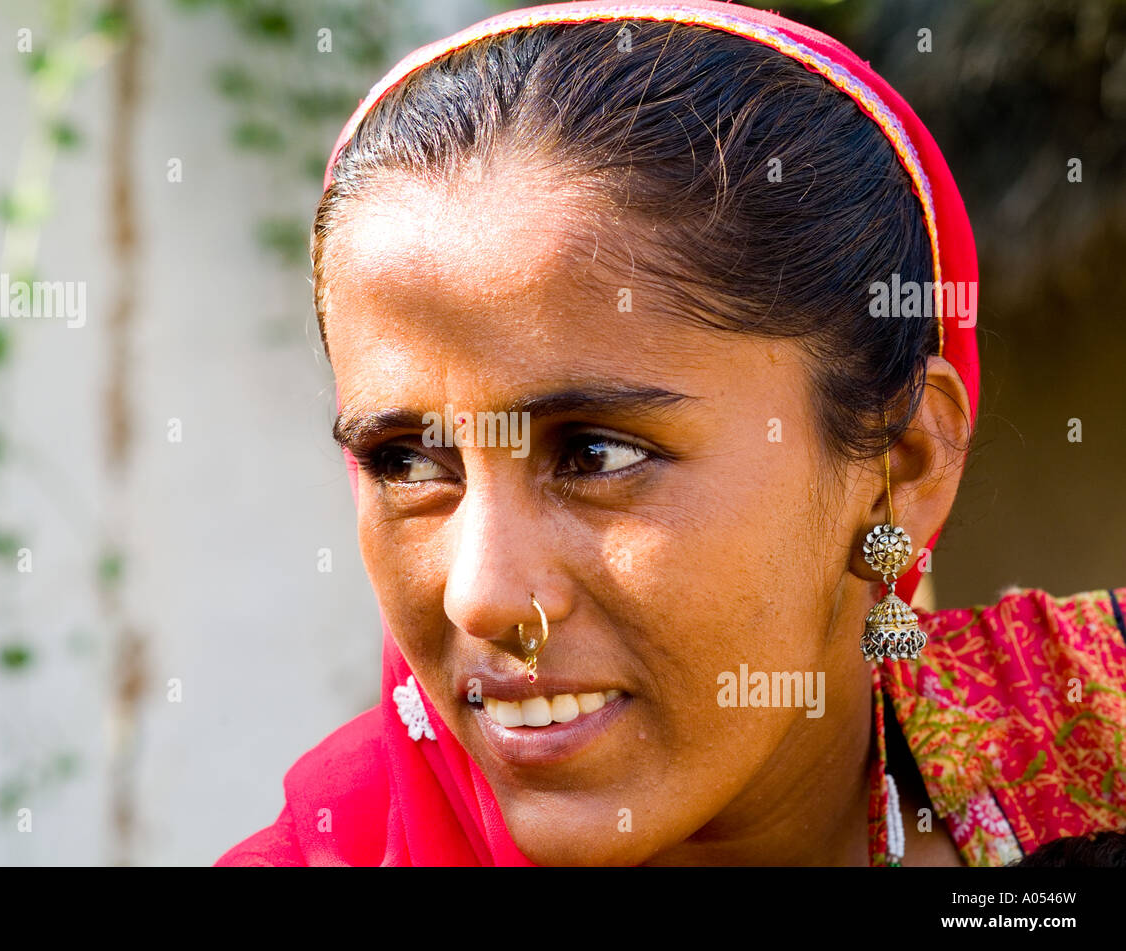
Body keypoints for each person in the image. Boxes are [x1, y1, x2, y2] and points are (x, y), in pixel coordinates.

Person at [217, 0, 1126, 866]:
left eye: (595, 454)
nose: (482, 599)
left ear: (900, 465)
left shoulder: (1095, 739)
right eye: (406, 461)